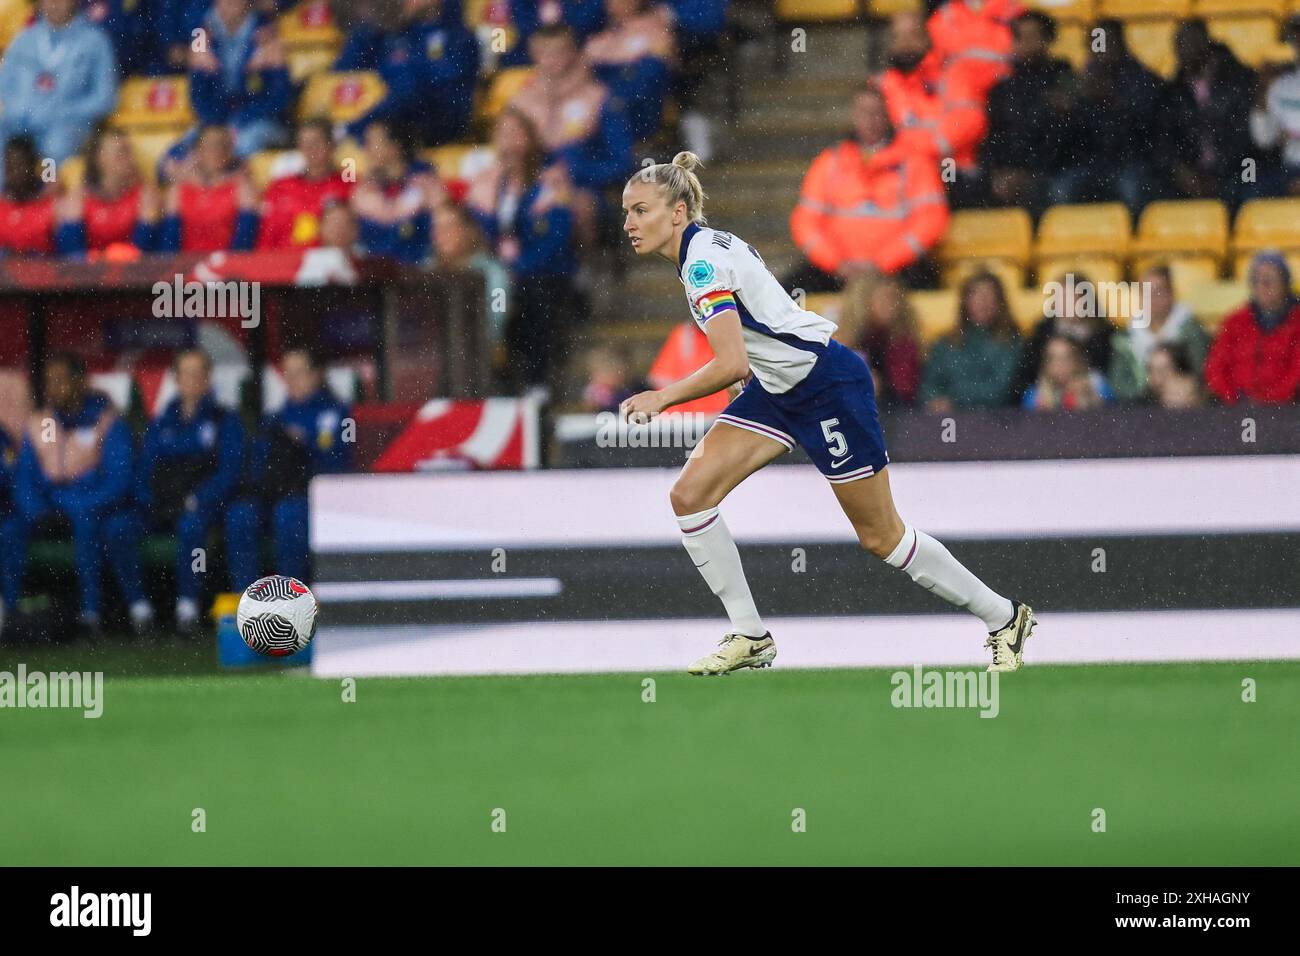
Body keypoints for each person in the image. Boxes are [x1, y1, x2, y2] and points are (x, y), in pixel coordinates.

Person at [618, 152, 1036, 676]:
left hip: (827, 387)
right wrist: (748, 375)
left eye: (640, 210)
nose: (629, 224)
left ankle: (1003, 617)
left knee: (883, 537)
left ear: (677, 212)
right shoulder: (703, 249)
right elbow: (760, 328)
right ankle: (750, 636)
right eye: (627, 212)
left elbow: (731, 360)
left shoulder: (701, 263)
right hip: (776, 389)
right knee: (689, 495)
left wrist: (662, 397)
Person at [5, 352, 154, 637]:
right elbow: (25, 479)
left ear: (79, 382)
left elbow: (118, 482)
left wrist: (76, 506)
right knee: (10, 529)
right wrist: (40, 512)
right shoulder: (42, 423)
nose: (53, 388)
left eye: (60, 381)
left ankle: (90, 613)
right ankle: (10, 612)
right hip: (49, 511)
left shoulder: (106, 421)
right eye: (49, 382)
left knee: (88, 524)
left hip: (91, 510)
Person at [787, 82, 949, 294]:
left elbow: (930, 220)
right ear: (854, 115)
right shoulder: (830, 162)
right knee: (786, 294)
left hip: (896, 270)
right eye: (864, 112)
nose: (870, 120)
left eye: (877, 112)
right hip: (836, 271)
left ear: (888, 115)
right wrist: (836, 264)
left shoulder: (914, 162)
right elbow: (805, 222)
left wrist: (883, 263)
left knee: (930, 290)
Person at [136, 349, 247, 633]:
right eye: (186, 373)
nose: (193, 379)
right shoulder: (161, 423)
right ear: (176, 379)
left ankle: (187, 607)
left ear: (208, 378)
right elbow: (145, 471)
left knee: (191, 527)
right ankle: (136, 609)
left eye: (199, 373)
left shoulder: (224, 420)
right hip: (162, 507)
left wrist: (196, 499)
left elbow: (230, 472)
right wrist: (154, 502)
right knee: (118, 528)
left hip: (202, 507)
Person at [466, 109, 575, 391]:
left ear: (530, 139)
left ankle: (536, 382)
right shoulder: (491, 185)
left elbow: (555, 239)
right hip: (499, 271)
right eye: (502, 135)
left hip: (541, 272)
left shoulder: (549, 182)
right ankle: (482, 378)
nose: (509, 142)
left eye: (516, 134)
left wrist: (519, 268)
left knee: (530, 294)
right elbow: (479, 233)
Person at [225, 349, 353, 590]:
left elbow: (340, 467)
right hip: (273, 495)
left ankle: (291, 600)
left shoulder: (337, 414)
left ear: (316, 374)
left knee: (288, 515)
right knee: (240, 514)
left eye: (300, 372)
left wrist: (306, 445)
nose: (293, 379)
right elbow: (256, 467)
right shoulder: (275, 418)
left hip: (311, 498)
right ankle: (247, 600)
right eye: (288, 373)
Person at [0, 0, 119, 183]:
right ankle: (3, 197)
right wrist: (22, 110)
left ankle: (49, 193)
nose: (54, 4)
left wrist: (63, 112)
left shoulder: (95, 41)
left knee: (55, 146)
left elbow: (105, 98)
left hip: (67, 125)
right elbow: (5, 86)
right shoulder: (23, 40)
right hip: (23, 121)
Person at [334, 0, 479, 146]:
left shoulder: (459, 37)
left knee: (408, 89)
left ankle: (349, 131)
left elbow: (436, 86)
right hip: (399, 118)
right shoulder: (393, 37)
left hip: (441, 118)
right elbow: (344, 71)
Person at [982, 9, 1075, 216]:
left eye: (1034, 36)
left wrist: (1030, 174)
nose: (1027, 43)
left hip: (1056, 170)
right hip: (1012, 172)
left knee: (1059, 191)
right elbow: (993, 137)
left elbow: (1070, 137)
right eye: (1021, 37)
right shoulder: (1002, 89)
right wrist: (998, 173)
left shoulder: (1065, 79)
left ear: (1048, 39)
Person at [189, 0, 292, 158]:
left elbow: (280, 97)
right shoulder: (202, 34)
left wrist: (241, 120)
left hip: (259, 122)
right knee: (181, 151)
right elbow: (198, 95)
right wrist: (217, 124)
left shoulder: (267, 32)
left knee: (236, 147)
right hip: (217, 121)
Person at [1204, 251, 1300, 405]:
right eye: (1257, 280)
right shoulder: (1235, 321)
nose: (1263, 286)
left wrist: (1268, 402)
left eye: (1271, 280)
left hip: (1286, 410)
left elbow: (1296, 374)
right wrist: (1233, 397)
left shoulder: (1297, 321)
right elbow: (1215, 368)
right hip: (1236, 408)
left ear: (1286, 283)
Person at [919, 270, 1021, 411]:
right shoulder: (945, 344)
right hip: (951, 425)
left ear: (999, 303)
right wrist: (935, 401)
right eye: (976, 294)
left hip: (996, 424)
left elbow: (1001, 392)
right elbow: (928, 389)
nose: (983, 302)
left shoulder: (1012, 342)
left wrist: (953, 400)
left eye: (989, 295)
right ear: (965, 301)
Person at [1108, 263, 1209, 402]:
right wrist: (1147, 392)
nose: (1153, 298)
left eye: (1159, 291)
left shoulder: (1192, 331)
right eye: (1147, 292)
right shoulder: (1125, 337)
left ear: (1171, 293)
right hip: (1140, 407)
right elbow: (1119, 384)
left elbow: (1200, 372)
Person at [56, 127, 161, 256]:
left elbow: (145, 248)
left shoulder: (145, 194)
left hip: (133, 272)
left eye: (131, 152)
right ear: (100, 159)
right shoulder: (78, 199)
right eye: (122, 152)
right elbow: (71, 254)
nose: (131, 159)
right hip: (89, 273)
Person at [1011, 272, 1113, 402]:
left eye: (1075, 298)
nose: (1069, 303)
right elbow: (1026, 377)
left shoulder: (1106, 336)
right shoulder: (1040, 335)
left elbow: (1112, 381)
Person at [350, 119, 441, 263]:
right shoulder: (363, 190)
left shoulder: (428, 184)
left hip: (420, 268)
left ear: (394, 147)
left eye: (371, 143)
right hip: (373, 273)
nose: (365, 149)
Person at [158, 125, 260, 252]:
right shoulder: (179, 190)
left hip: (225, 267)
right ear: (198, 150)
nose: (217, 151)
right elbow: (169, 244)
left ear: (230, 152)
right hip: (184, 267)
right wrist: (178, 271)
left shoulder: (243, 188)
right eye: (211, 145)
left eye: (223, 145)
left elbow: (243, 244)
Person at [256, 119, 354, 250]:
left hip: (326, 264)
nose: (309, 149)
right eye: (304, 143)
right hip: (281, 265)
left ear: (331, 145)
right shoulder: (279, 187)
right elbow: (266, 238)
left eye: (316, 142)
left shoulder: (348, 185)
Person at [840, 273, 920, 408]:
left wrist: (881, 387)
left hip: (895, 415)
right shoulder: (846, 341)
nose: (891, 305)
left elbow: (906, 390)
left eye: (894, 299)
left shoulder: (902, 341)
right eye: (884, 299)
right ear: (864, 302)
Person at [1021, 334, 1112, 411]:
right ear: (1046, 364)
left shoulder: (1096, 384)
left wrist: (1090, 396)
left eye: (1066, 358)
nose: (1060, 364)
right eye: (1054, 358)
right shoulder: (1034, 394)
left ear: (1077, 360)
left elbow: (1113, 411)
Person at [0, 135, 57, 257]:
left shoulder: (51, 205)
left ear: (32, 166)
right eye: (9, 166)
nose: (13, 173)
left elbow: (68, 258)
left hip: (43, 273)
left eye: (19, 165)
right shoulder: (1, 205)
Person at [1146, 343, 1205, 409]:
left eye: (1162, 371)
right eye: (1150, 370)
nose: (1155, 377)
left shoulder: (1195, 400)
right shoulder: (1143, 404)